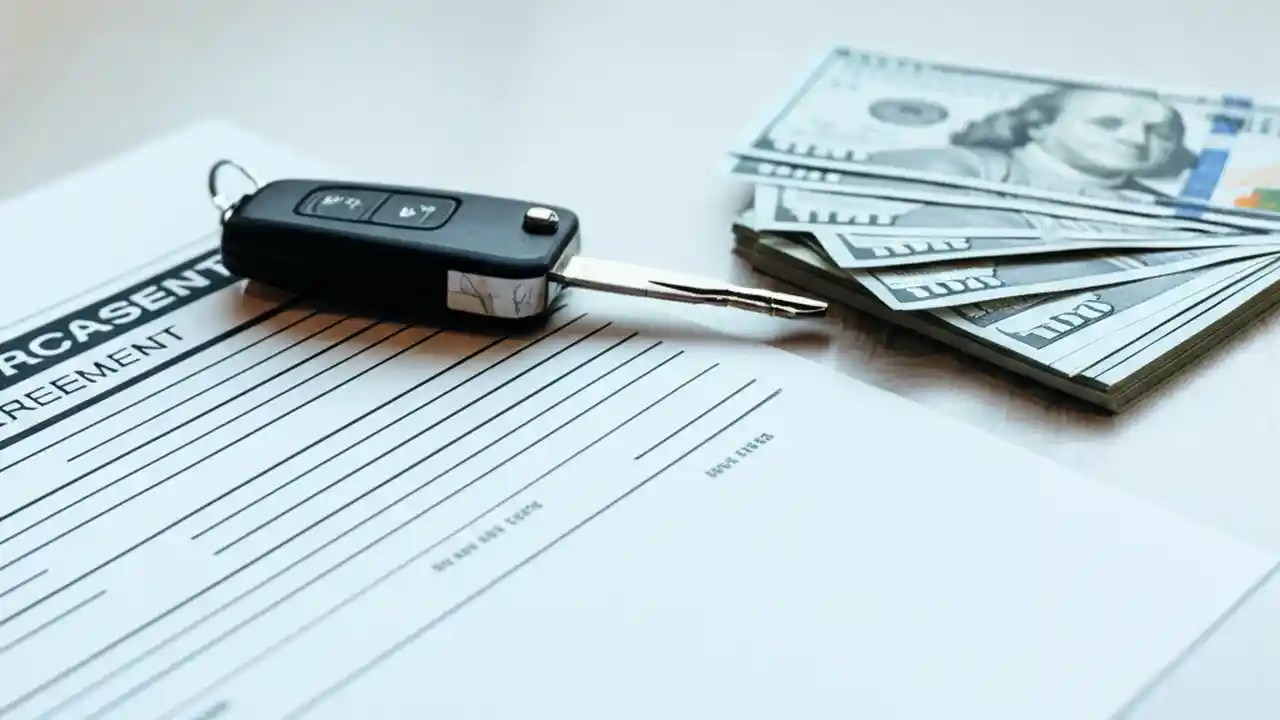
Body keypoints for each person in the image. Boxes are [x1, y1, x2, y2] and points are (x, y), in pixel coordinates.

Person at [872, 87, 1199, 229]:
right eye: (1108, 123)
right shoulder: (957, 168)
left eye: (1159, 131)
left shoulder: (1165, 212)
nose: (1136, 139)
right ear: (1039, 123)